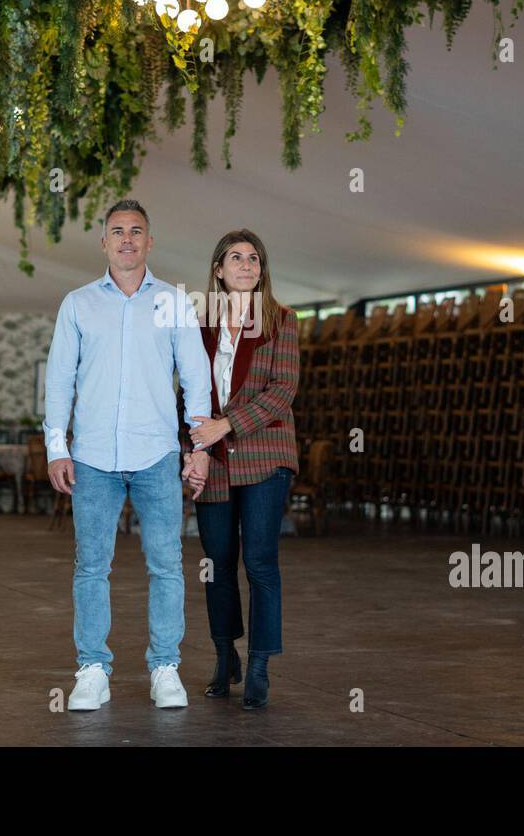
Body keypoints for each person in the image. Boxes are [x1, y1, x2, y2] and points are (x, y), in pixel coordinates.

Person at [44, 199, 211, 711]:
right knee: (91, 567)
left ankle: (165, 667)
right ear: (104, 242)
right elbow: (59, 379)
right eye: (117, 231)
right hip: (92, 457)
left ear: (150, 241)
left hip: (157, 454)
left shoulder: (176, 303)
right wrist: (57, 446)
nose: (127, 239)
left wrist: (199, 446)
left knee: (166, 565)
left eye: (137, 231)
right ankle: (92, 670)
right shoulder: (77, 304)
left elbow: (197, 376)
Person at [185, 229, 300, 710]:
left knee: (260, 562)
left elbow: (282, 392)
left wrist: (225, 426)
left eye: (254, 258)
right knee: (217, 566)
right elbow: (188, 392)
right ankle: (223, 655)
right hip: (212, 462)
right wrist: (193, 449)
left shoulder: (282, 320)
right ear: (218, 269)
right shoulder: (199, 324)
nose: (247, 265)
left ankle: (258, 666)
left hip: (266, 456)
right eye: (236, 258)